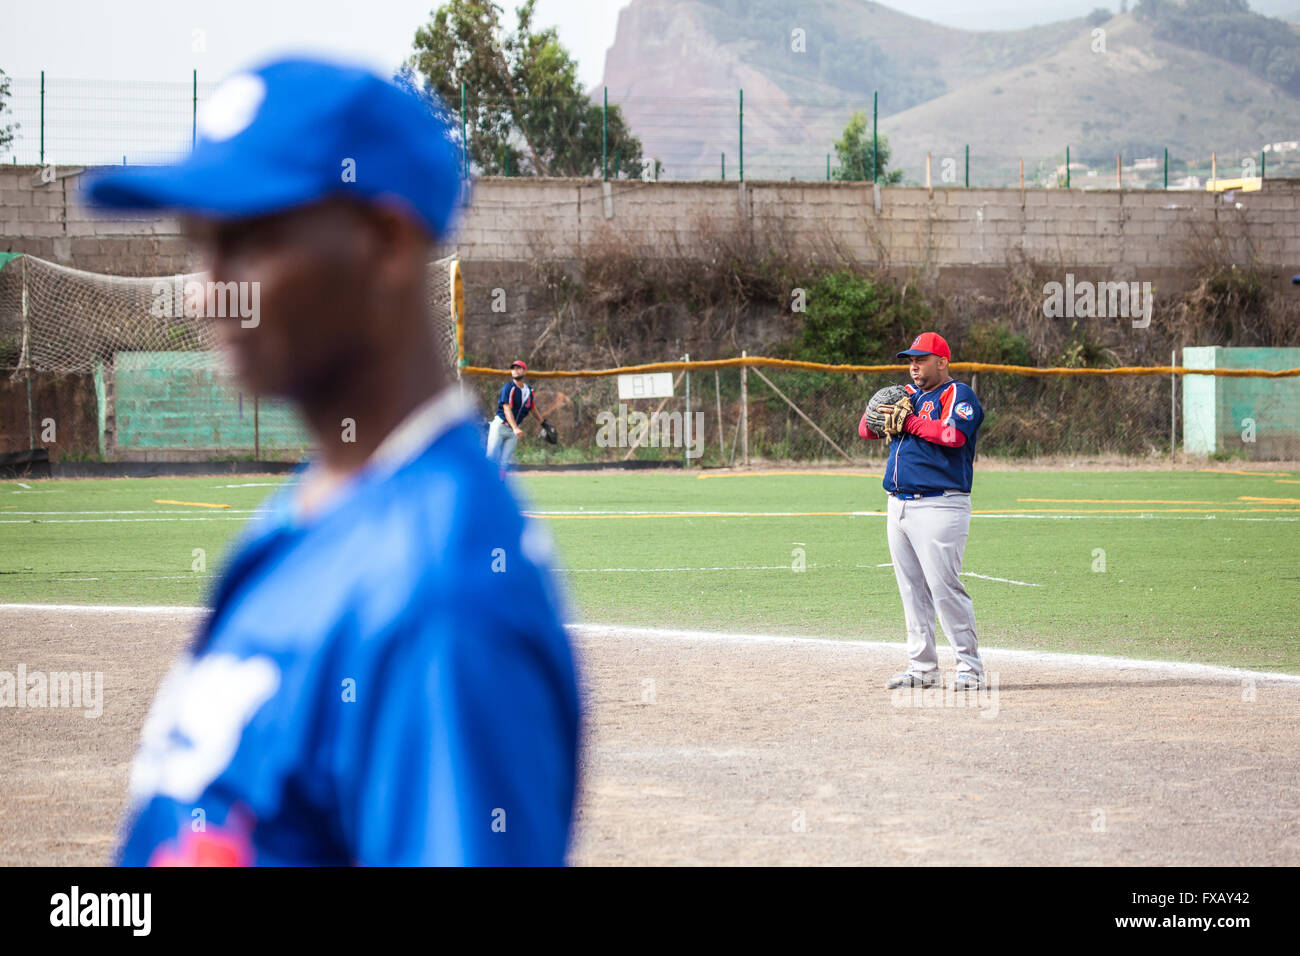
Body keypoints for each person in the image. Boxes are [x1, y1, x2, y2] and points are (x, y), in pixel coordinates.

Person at [84, 57, 580, 865]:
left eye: (246, 240)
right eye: (197, 243)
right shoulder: (312, 510)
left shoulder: (440, 596)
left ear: (383, 244)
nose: (206, 289)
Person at [858, 332, 987, 690]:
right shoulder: (907, 395)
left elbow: (953, 436)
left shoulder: (958, 395)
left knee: (944, 587)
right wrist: (875, 416)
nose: (913, 366)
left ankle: (969, 667)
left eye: (921, 359)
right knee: (911, 589)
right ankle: (922, 668)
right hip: (897, 503)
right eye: (910, 360)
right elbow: (865, 432)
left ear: (942, 362)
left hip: (941, 503)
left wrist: (910, 422)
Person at [486, 360, 539, 473]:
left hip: (514, 431)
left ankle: (500, 484)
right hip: (500, 426)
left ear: (524, 371)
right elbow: (507, 409)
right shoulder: (508, 388)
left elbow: (532, 408)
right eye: (513, 368)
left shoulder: (529, 391)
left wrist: (543, 422)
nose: (515, 370)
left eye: (518, 368)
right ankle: (482, 487)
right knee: (491, 458)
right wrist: (515, 428)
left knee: (504, 462)